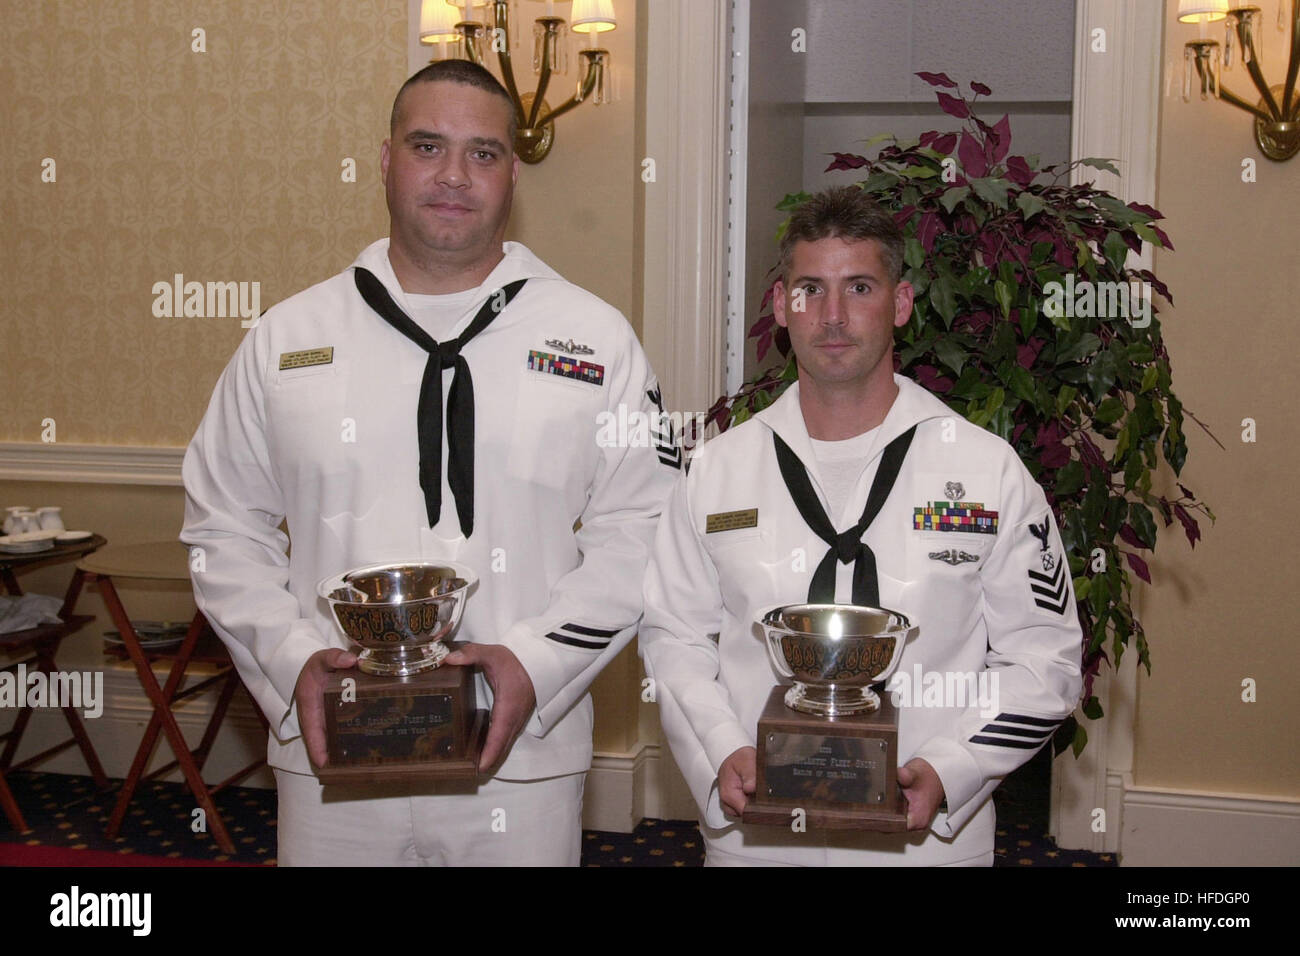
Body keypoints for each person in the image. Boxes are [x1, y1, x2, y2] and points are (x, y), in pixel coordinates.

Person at [181, 60, 678, 866]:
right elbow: (221, 525)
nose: (454, 176)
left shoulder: (595, 340)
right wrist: (291, 660)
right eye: (427, 146)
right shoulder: (285, 339)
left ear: (514, 174)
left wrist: (537, 663)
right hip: (332, 753)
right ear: (384, 161)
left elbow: (646, 527)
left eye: (483, 153)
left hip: (518, 761)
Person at [639, 186, 1083, 866]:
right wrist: (722, 748)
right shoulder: (716, 471)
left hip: (926, 839)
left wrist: (952, 769)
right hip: (758, 834)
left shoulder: (987, 471)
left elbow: (1044, 656)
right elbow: (674, 634)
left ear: (901, 304)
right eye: (810, 289)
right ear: (781, 308)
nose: (834, 316)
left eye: (861, 287)